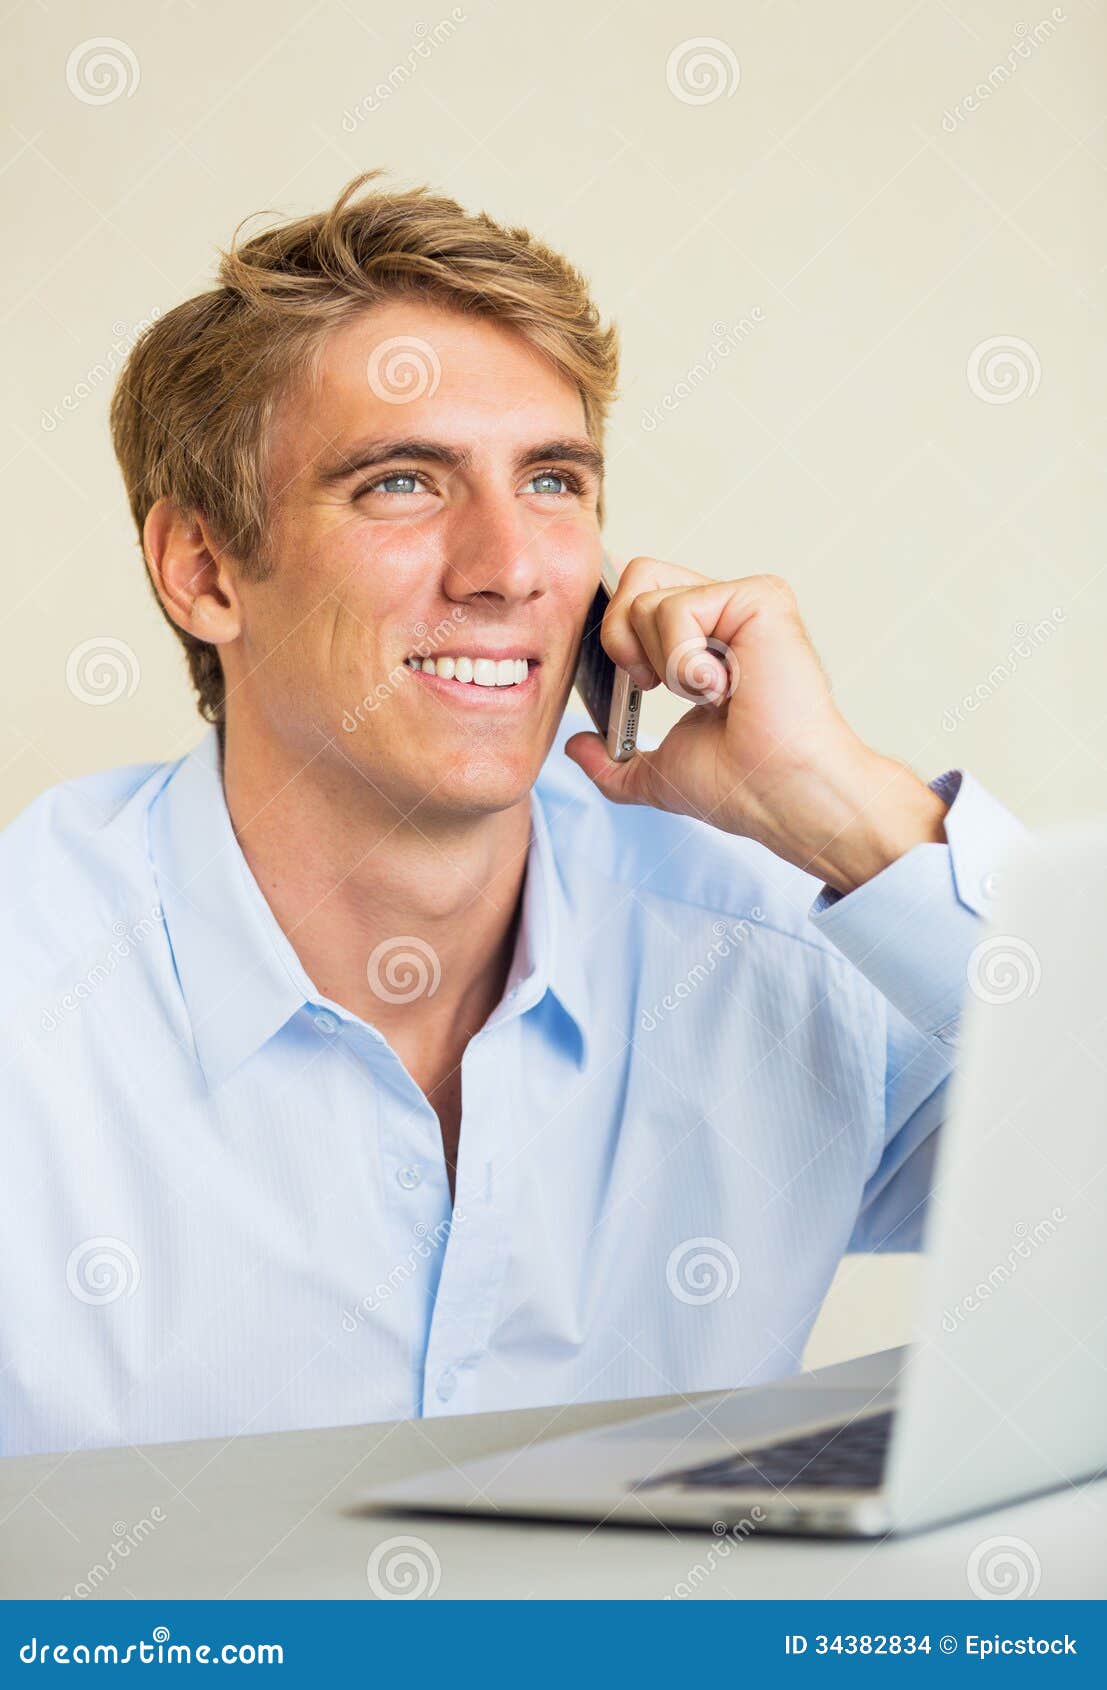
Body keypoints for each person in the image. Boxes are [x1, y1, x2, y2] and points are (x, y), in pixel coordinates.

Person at [0, 172, 1024, 1458]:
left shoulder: (767, 943)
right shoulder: (32, 996)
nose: (510, 568)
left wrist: (855, 815)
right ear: (204, 571)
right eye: (400, 485)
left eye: (551, 481)